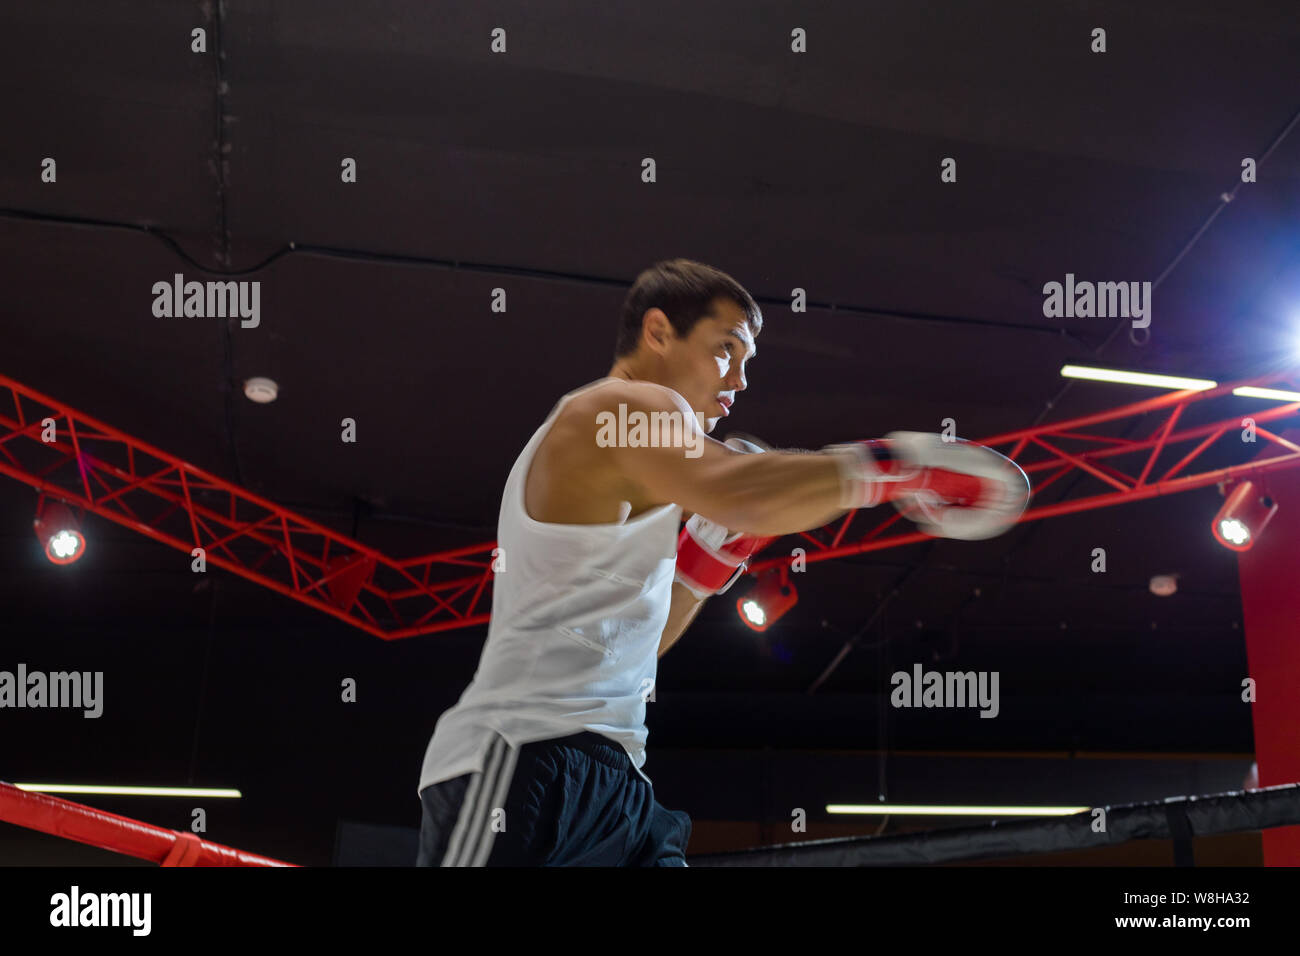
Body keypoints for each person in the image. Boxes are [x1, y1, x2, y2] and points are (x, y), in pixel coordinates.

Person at [415, 258, 1028, 866]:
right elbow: (740, 487)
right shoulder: (611, 411)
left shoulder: (650, 475)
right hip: (515, 757)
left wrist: (706, 563)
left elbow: (634, 643)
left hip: (617, 777)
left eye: (746, 360)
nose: (738, 379)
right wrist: (896, 466)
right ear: (658, 333)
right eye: (724, 349)